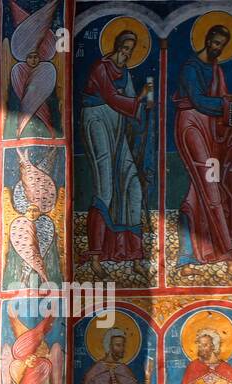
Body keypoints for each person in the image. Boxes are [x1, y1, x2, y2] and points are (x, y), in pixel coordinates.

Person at [172, 24, 232, 275]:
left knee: (199, 192)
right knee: (210, 187)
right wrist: (228, 104)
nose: (216, 47)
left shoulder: (216, 69)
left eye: (221, 44)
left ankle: (187, 257)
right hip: (192, 126)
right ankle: (227, 254)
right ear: (207, 39)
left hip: (210, 128)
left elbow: (221, 103)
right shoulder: (191, 67)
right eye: (214, 42)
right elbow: (198, 100)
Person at [80, 31, 152, 268]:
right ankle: (96, 256)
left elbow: (135, 106)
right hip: (97, 121)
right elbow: (112, 97)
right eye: (125, 46)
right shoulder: (100, 67)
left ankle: (130, 251)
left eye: (131, 48)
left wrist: (145, 105)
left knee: (132, 185)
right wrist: (137, 100)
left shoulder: (126, 74)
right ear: (116, 44)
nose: (127, 51)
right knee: (106, 188)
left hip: (118, 128)